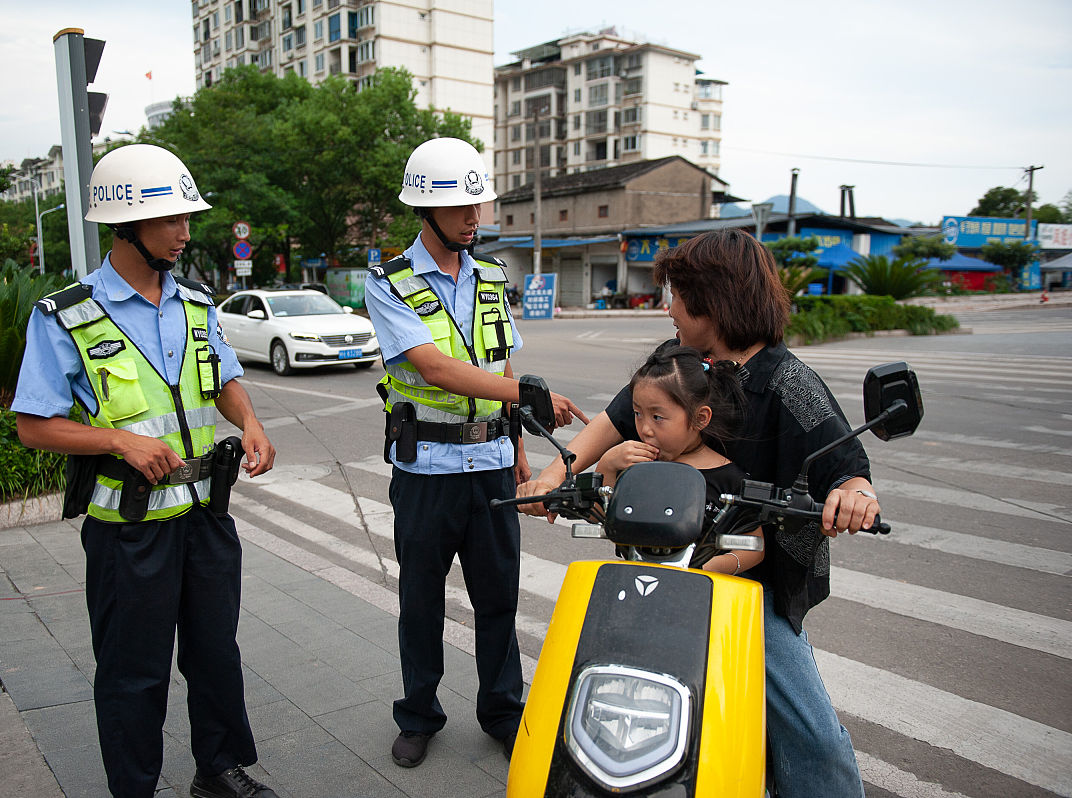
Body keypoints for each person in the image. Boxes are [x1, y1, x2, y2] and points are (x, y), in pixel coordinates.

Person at [518, 229, 878, 798]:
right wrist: (552, 476)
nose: (670, 309)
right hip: (653, 570)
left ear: (710, 300)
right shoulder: (679, 366)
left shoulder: (788, 380)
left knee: (815, 741)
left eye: (676, 296)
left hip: (750, 590)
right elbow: (608, 426)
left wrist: (855, 491)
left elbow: (842, 461)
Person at [11, 144, 281, 798]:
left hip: (206, 519)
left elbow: (224, 380)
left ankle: (217, 770)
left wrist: (249, 421)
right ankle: (135, 787)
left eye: (187, 218)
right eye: (170, 220)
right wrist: (118, 441)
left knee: (216, 655)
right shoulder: (66, 316)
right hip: (129, 532)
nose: (186, 232)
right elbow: (33, 424)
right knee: (135, 672)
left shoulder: (193, 304)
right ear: (125, 224)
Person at [363, 137, 587, 769]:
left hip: (490, 465)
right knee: (422, 600)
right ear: (427, 209)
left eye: (478, 204)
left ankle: (502, 711)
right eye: (462, 206)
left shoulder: (490, 276)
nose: (475, 217)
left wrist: (515, 441)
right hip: (426, 471)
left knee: (498, 599)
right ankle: (418, 715)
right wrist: (530, 393)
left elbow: (500, 360)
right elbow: (433, 369)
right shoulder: (389, 283)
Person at [601, 344, 763, 574]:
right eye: (638, 414)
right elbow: (606, 520)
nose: (645, 429)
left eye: (657, 417)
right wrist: (608, 464)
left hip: (704, 594)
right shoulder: (639, 469)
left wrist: (700, 570)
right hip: (637, 583)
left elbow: (753, 547)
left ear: (700, 418)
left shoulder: (730, 479)